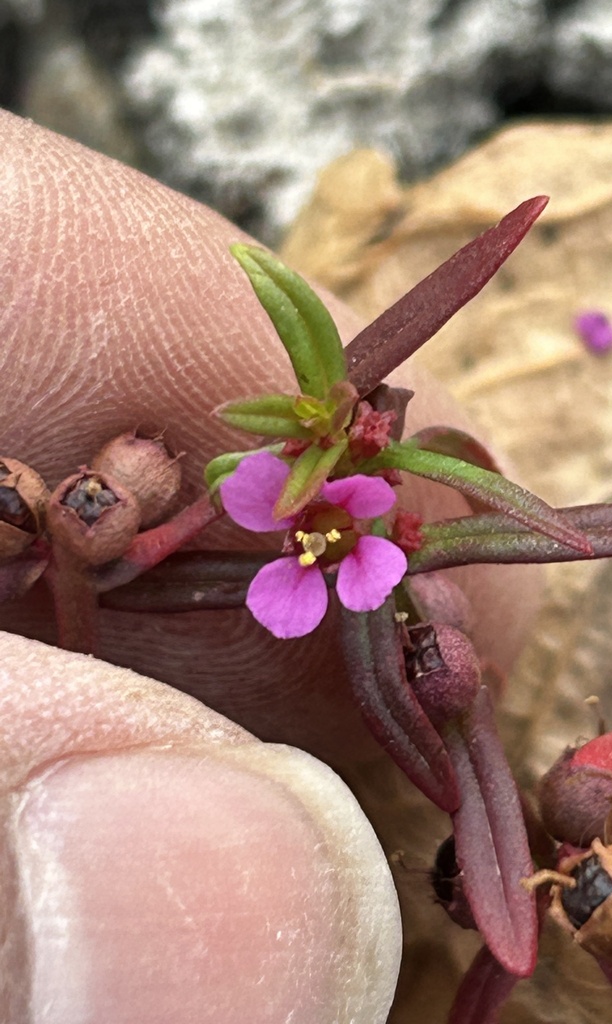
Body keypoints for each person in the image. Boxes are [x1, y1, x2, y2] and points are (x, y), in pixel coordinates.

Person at [0, 109, 540, 1023]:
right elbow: (252, 495)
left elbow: (355, 518)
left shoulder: (362, 530)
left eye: (332, 527)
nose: (321, 536)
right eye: (313, 525)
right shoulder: (292, 514)